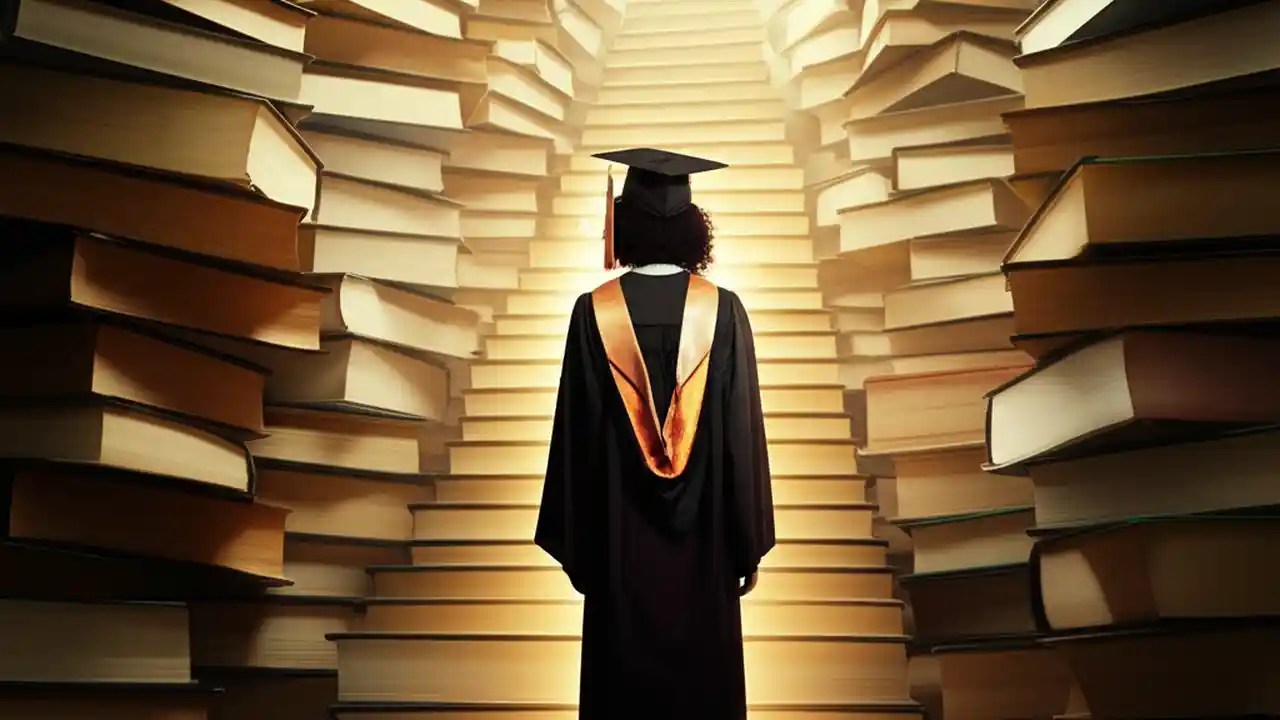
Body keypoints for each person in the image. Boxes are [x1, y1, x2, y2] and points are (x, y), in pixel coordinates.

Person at [534, 147, 776, 720]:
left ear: (626, 223)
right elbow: (741, 438)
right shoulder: (726, 311)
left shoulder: (591, 314)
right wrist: (748, 541)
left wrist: (584, 551)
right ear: (695, 228)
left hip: (621, 557)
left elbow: (577, 442)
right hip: (707, 553)